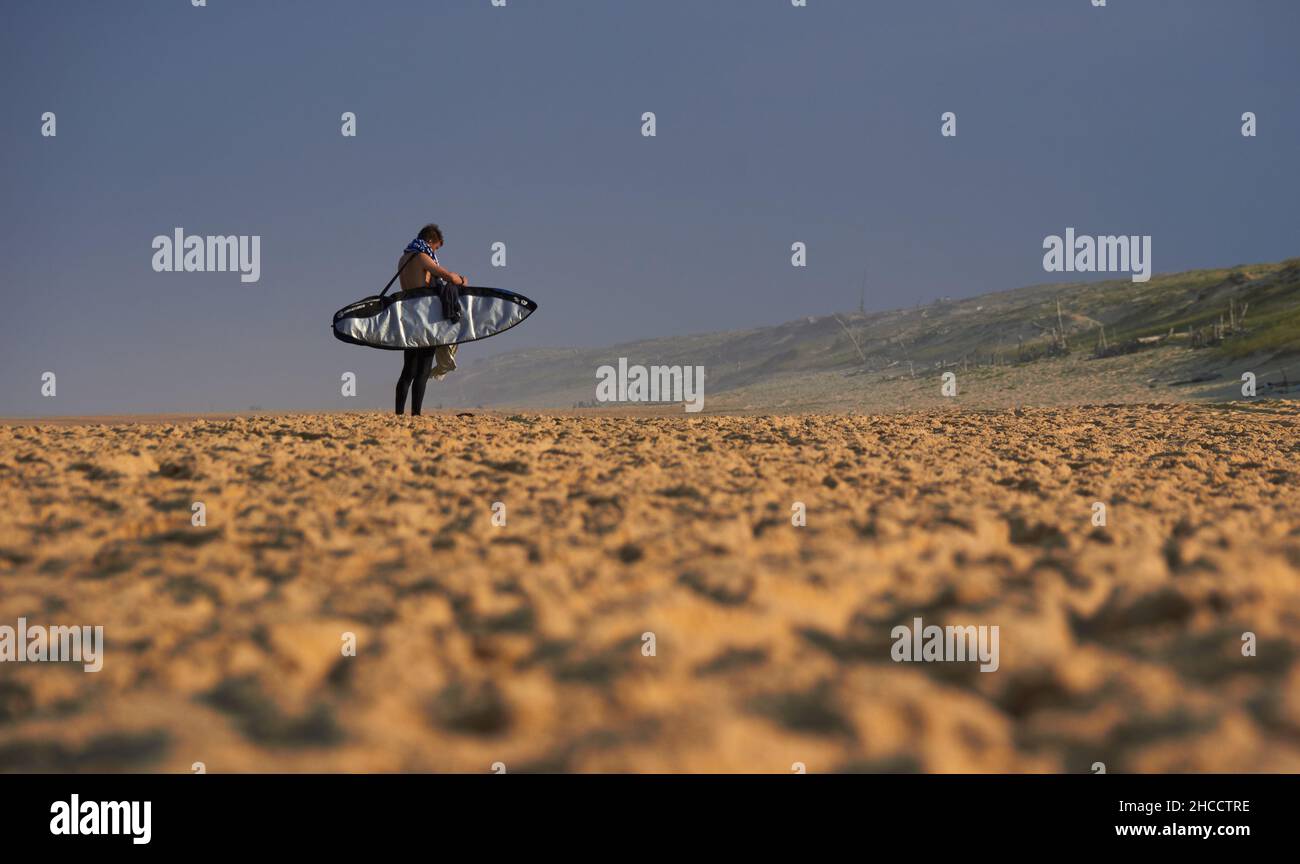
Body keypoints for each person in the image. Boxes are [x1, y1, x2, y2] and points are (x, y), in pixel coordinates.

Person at [394, 223, 469, 416]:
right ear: (429, 241)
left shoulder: (403, 258)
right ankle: (416, 414)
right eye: (435, 248)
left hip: (408, 316)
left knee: (407, 370)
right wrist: (461, 279)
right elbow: (446, 276)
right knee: (423, 369)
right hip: (425, 317)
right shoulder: (421, 257)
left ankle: (399, 414)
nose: (434, 252)